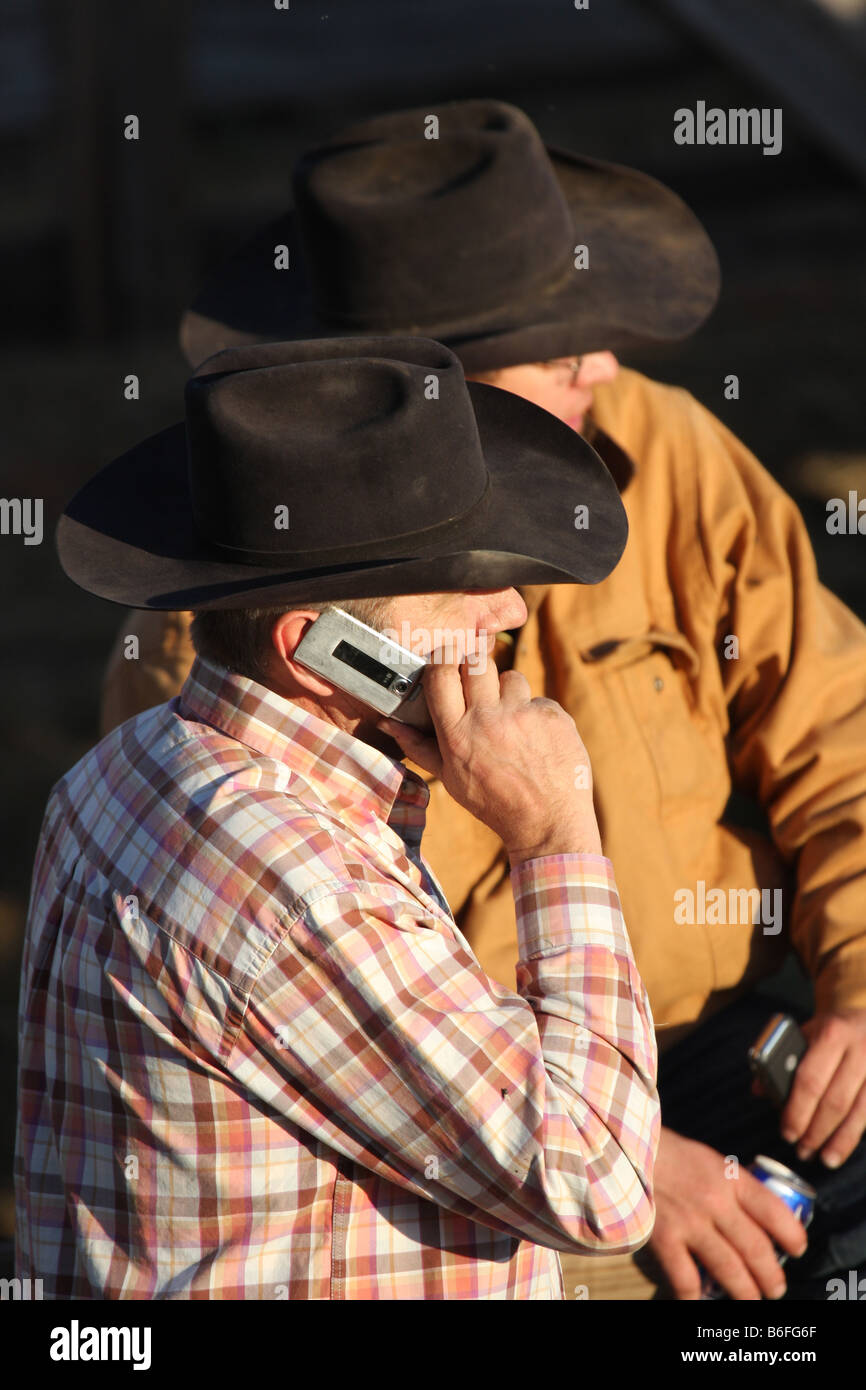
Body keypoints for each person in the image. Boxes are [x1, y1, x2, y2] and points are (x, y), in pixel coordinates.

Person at [98, 101, 866, 1301]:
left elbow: (836, 726)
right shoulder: (237, 615)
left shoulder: (669, 449)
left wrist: (859, 983)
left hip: (704, 1041)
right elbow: (382, 1033)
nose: (600, 366)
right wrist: (640, 1162)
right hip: (460, 1102)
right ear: (414, 380)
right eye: (555, 343)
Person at [14, 336, 662, 1300]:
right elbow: (599, 1183)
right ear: (320, 651)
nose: (513, 607)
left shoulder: (119, 767)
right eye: (462, 580)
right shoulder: (304, 890)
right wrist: (555, 835)